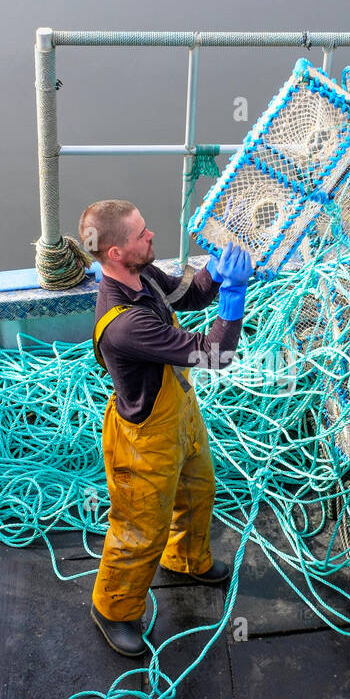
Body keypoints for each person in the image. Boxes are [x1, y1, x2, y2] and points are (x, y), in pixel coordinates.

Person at [83, 199, 254, 657]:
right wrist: (234, 298)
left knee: (199, 489)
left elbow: (189, 296)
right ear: (115, 252)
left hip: (180, 413)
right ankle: (113, 609)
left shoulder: (142, 277)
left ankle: (186, 558)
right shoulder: (125, 324)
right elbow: (216, 354)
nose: (151, 236)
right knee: (140, 530)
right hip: (144, 441)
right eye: (141, 234)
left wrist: (216, 275)